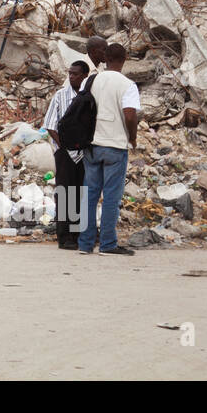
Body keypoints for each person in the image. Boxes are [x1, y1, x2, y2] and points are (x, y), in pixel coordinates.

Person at [78, 43, 140, 256]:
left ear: (105, 58)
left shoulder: (91, 80)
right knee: (111, 197)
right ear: (125, 59)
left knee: (90, 196)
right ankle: (107, 244)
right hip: (115, 146)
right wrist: (132, 137)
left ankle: (85, 244)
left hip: (93, 144)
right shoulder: (128, 85)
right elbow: (130, 114)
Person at [44, 60, 89, 250]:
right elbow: (50, 125)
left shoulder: (89, 98)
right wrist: (65, 147)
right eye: (70, 73)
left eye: (76, 74)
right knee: (64, 193)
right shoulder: (60, 96)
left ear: (84, 76)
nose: (71, 77)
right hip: (64, 153)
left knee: (81, 192)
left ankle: (79, 233)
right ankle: (64, 236)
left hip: (84, 152)